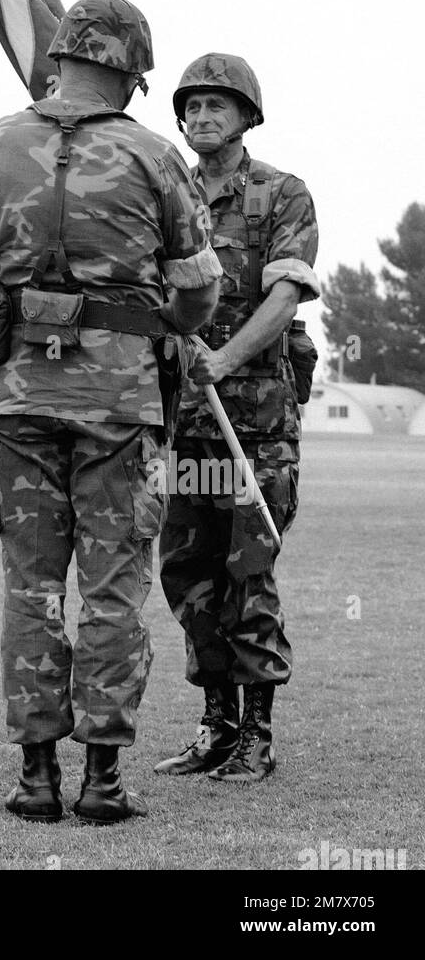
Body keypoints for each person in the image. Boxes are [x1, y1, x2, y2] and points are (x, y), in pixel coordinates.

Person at [0, 0, 222, 824]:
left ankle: (36, 777)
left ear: (60, 57)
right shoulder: (153, 156)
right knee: (111, 590)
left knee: (30, 587)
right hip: (117, 401)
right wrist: (169, 326)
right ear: (133, 72)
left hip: (13, 397)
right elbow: (199, 282)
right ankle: (102, 781)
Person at [155, 54, 319, 782]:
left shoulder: (282, 194)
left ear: (248, 115)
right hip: (186, 428)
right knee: (189, 573)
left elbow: (285, 299)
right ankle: (217, 726)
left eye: (218, 105)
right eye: (191, 106)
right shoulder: (167, 190)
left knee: (247, 570)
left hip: (255, 425)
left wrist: (221, 363)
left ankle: (259, 734)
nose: (201, 117)